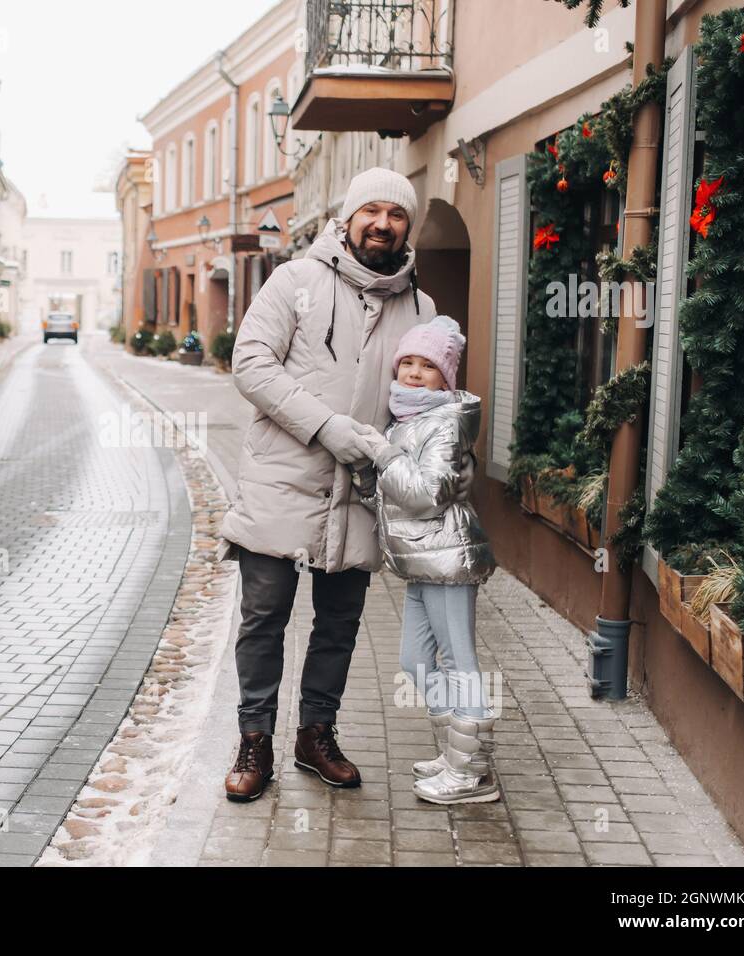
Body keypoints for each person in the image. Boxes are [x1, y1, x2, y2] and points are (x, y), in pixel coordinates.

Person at [219, 167, 473, 802]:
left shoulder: (422, 308)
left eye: (396, 214)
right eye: (371, 211)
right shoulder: (296, 280)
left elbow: (430, 402)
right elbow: (249, 363)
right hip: (281, 479)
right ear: (347, 218)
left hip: (363, 491)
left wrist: (422, 464)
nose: (382, 223)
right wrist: (326, 425)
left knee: (339, 622)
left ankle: (316, 735)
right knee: (264, 617)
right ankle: (255, 740)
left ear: (407, 228)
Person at [357, 314, 500, 804]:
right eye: (408, 363)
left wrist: (383, 456)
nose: (415, 373)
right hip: (423, 559)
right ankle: (457, 753)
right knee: (415, 660)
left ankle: (470, 775)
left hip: (446, 557)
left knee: (461, 663)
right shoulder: (408, 419)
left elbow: (426, 494)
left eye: (428, 366)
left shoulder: (442, 423)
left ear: (446, 377)